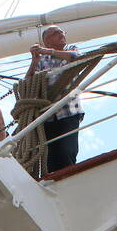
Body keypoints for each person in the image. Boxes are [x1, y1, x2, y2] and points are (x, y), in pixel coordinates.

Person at [27, 25, 84, 172]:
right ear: (47, 40)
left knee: (67, 151)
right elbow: (28, 84)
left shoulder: (70, 49)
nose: (61, 34)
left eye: (62, 31)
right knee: (50, 158)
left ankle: (70, 177)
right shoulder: (41, 61)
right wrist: (34, 60)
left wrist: (48, 51)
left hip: (68, 110)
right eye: (56, 33)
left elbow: (77, 58)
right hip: (47, 115)